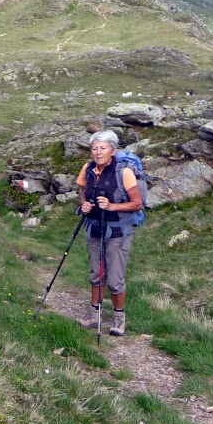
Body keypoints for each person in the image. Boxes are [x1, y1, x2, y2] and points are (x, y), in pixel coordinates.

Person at [76, 130, 143, 336]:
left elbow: (138, 203)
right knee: (96, 274)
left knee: (114, 278)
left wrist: (112, 206)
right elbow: (82, 192)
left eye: (102, 148)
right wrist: (84, 204)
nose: (98, 152)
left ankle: (118, 317)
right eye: (94, 148)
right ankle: (94, 313)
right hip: (94, 228)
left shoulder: (124, 172)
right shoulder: (87, 169)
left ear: (112, 150)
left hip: (118, 232)